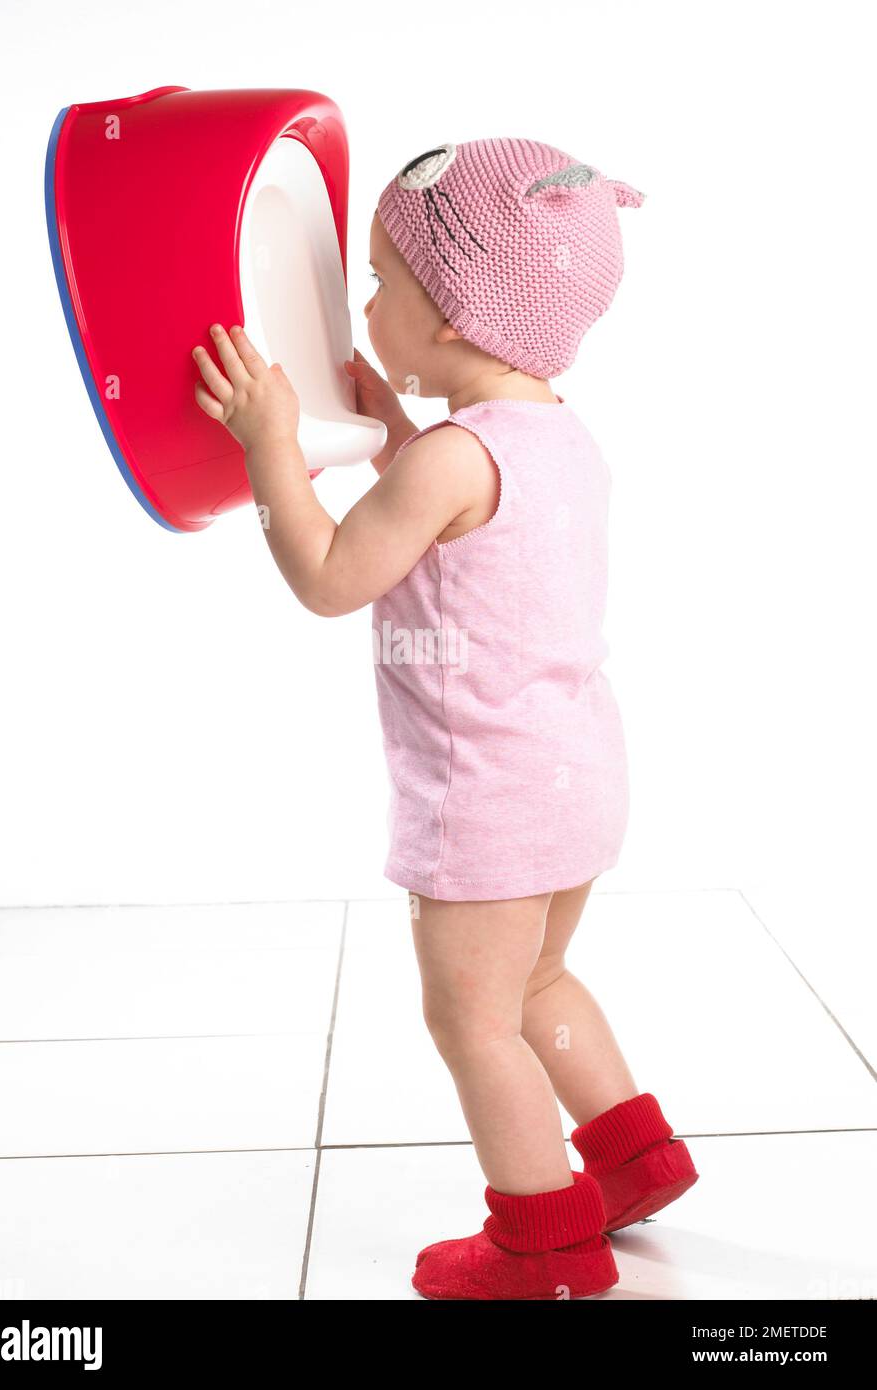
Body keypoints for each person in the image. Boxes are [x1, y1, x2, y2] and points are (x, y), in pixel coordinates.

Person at [192, 138, 698, 1301]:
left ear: (460, 315)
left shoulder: (449, 463)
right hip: (576, 776)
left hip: (484, 806)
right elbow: (473, 515)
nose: (362, 304)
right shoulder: (554, 437)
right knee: (539, 982)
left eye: (380, 281)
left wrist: (275, 452)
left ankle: (542, 1244)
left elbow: (329, 578)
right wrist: (395, 426)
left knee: (472, 1019)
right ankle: (632, 1156)